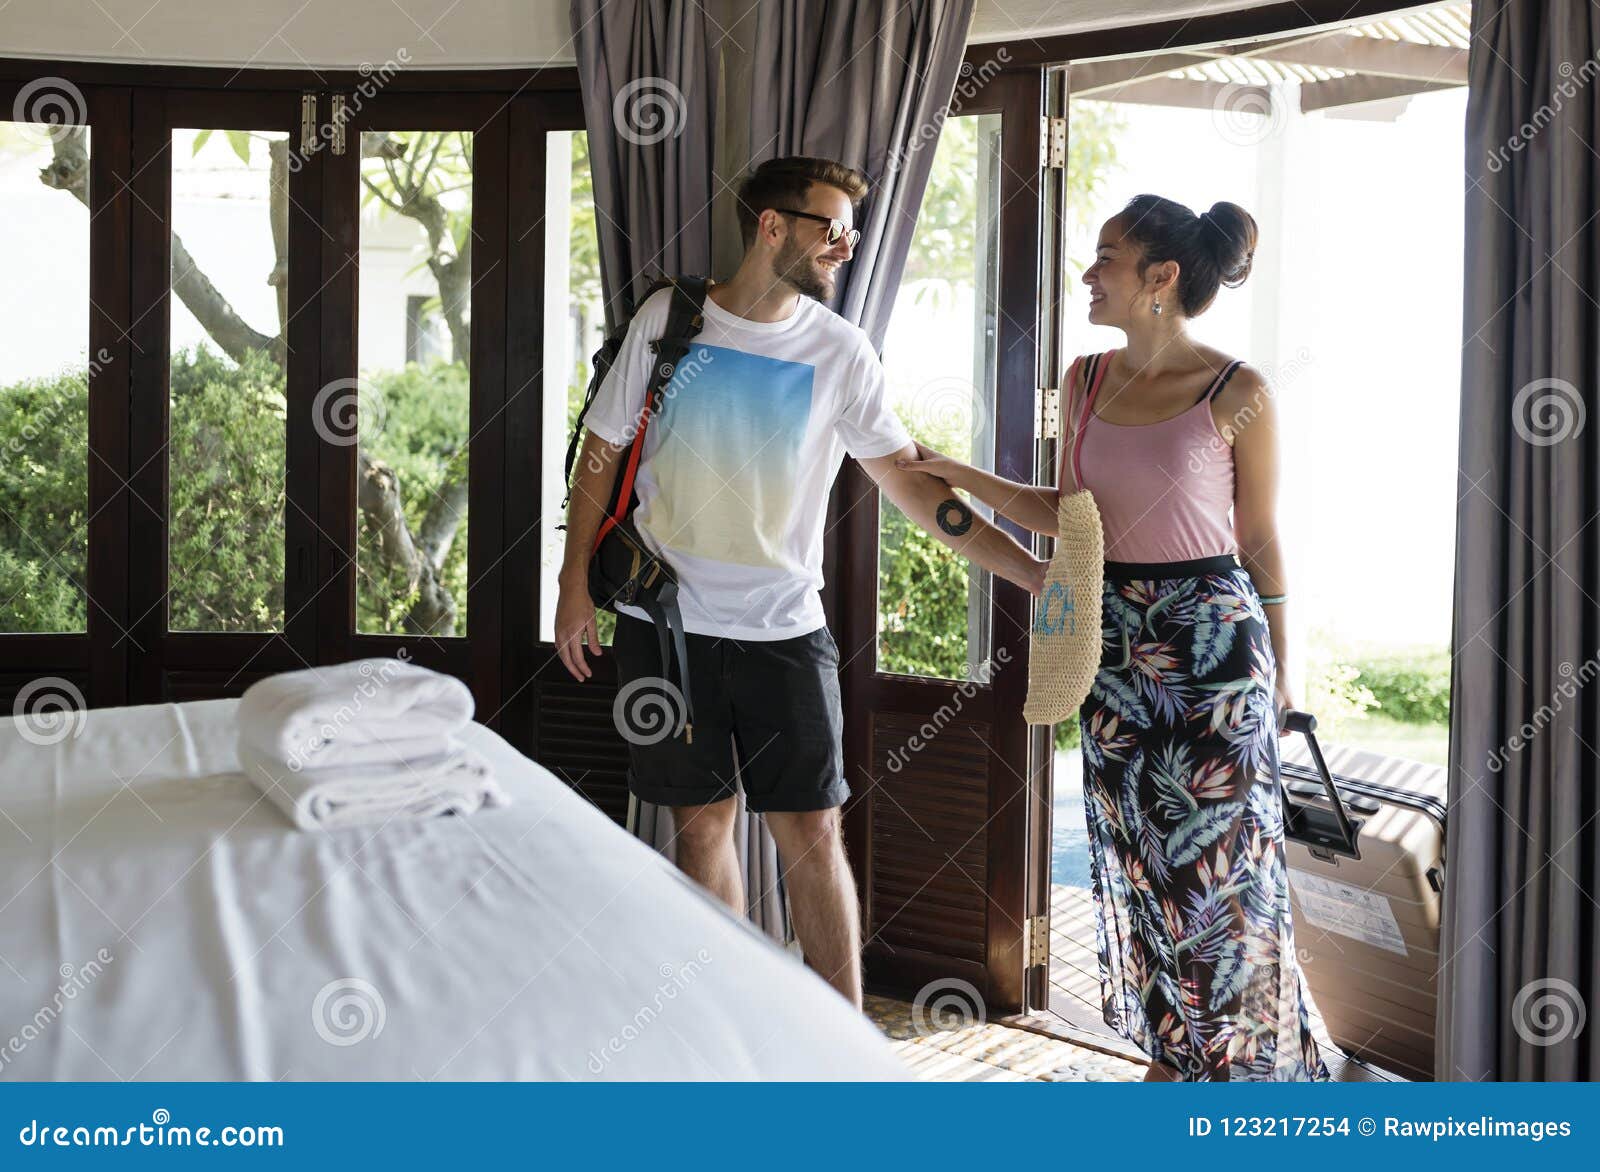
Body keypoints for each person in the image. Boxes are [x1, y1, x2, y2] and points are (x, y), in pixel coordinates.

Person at [556, 155, 1047, 1008]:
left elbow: (910, 483)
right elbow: (600, 452)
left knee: (814, 835)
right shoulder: (671, 320)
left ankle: (845, 1046)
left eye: (853, 232)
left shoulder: (840, 350)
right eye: (831, 228)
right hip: (665, 624)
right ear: (772, 226)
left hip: (784, 629)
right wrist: (569, 586)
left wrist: (1032, 573)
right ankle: (731, 1020)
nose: (846, 247)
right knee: (701, 825)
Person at [899, 194, 1328, 1081]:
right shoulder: (1086, 379)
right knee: (1141, 860)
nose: (1088, 276)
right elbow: (1070, 517)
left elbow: (1259, 538)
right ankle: (1175, 1058)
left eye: (1107, 259)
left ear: (1160, 278)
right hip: (1112, 642)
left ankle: (1243, 1073)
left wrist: (1285, 670)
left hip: (1212, 648)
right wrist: (959, 474)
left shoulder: (1238, 389)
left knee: (1219, 873)